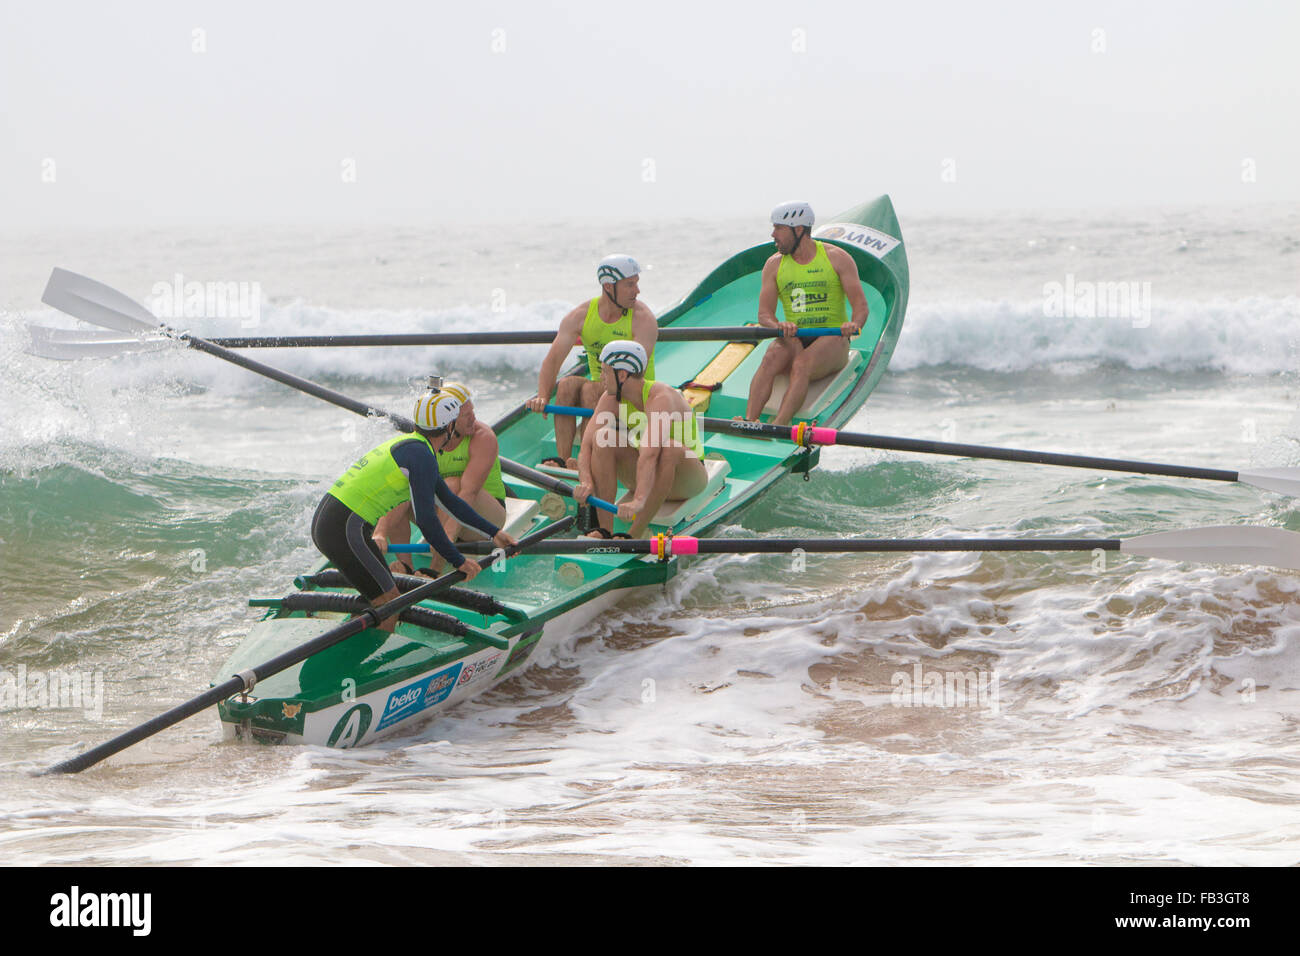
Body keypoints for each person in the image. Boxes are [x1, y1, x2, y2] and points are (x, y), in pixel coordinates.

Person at [310, 388, 517, 633]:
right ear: (449, 427)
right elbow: (426, 519)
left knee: (382, 601)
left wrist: (493, 532)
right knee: (389, 606)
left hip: (332, 524)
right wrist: (458, 560)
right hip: (344, 530)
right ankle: (368, 666)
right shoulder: (421, 455)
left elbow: (450, 501)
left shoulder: (413, 446)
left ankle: (354, 648)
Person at [743, 201, 869, 425]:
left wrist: (854, 325)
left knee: (802, 363)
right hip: (794, 336)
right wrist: (778, 326)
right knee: (771, 357)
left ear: (799, 229)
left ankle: (779, 425)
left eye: (779, 228)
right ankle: (748, 421)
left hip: (832, 338)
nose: (773, 234)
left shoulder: (836, 258)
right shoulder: (773, 265)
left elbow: (861, 307)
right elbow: (764, 315)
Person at [526, 254, 658, 468]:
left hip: (635, 394)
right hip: (600, 387)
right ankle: (564, 460)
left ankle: (586, 461)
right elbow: (553, 361)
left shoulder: (643, 319)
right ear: (608, 286)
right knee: (567, 384)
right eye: (630, 285)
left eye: (637, 284)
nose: (637, 291)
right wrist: (542, 396)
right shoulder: (580, 315)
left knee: (590, 390)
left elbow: (635, 373)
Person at [372, 380, 508, 575]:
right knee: (402, 488)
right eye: (467, 415)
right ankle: (405, 564)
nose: (474, 419)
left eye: (473, 412)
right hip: (444, 509)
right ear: (449, 420)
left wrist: (446, 540)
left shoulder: (483, 437)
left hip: (483, 516)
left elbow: (469, 493)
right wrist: (380, 531)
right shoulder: (427, 436)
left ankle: (435, 569)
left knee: (452, 484)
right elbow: (398, 485)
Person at [574, 340, 707, 539]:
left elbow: (650, 454)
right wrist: (585, 482)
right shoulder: (610, 398)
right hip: (649, 476)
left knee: (668, 447)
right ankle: (605, 530)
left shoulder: (661, 397)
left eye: (604, 371)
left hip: (687, 480)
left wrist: (638, 500)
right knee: (602, 438)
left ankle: (634, 534)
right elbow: (586, 446)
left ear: (622, 374)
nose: (601, 377)